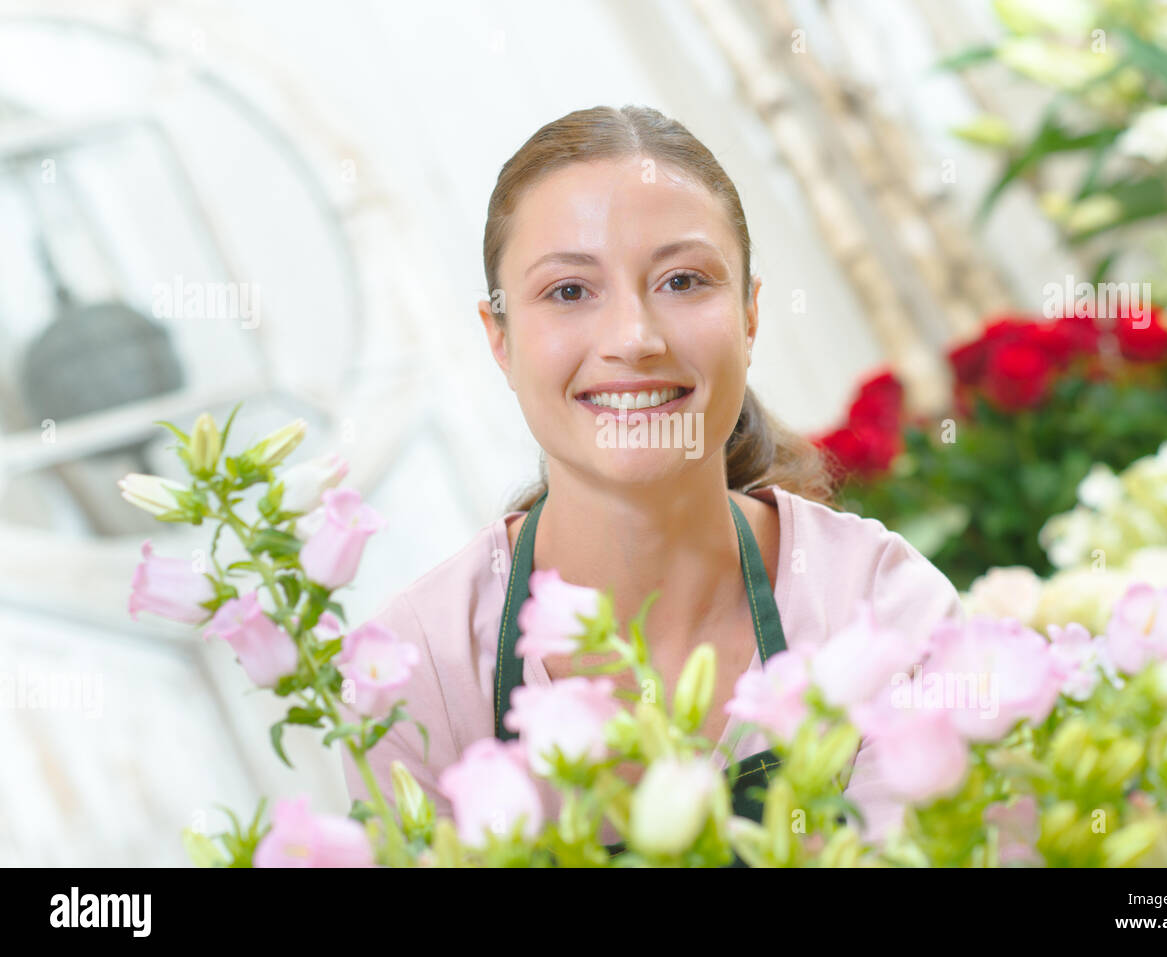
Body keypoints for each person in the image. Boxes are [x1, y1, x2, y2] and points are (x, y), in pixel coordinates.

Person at [341, 104, 963, 858]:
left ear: (750, 315)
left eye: (682, 280)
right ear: (499, 337)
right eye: (569, 291)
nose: (634, 338)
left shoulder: (877, 606)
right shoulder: (421, 668)